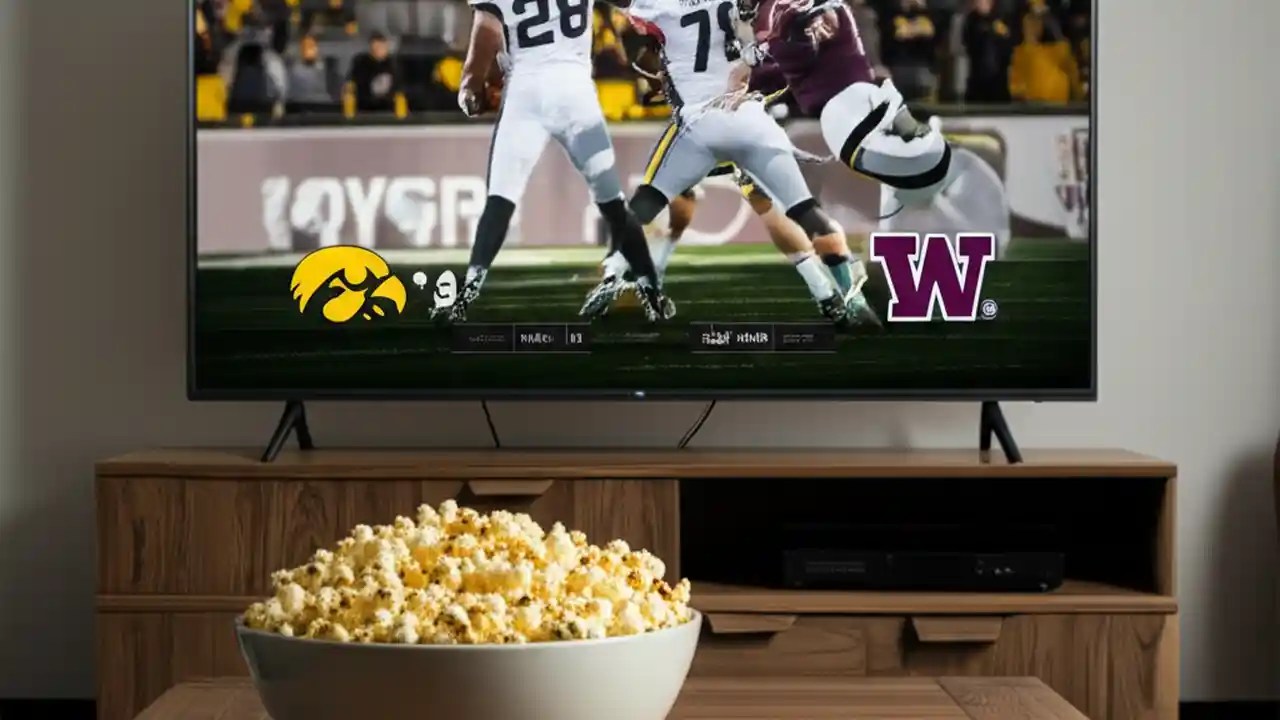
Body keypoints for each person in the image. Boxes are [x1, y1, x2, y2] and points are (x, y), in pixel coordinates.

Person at [582, 0, 869, 329]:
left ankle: (617, 270)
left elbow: (641, 37)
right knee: (791, 208)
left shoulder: (663, 8)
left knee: (655, 196)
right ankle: (841, 295)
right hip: (750, 115)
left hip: (701, 120)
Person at [435, 0, 673, 323]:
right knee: (613, 203)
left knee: (500, 199)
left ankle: (467, 291)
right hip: (575, 92)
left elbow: (482, 43)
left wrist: (470, 89)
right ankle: (651, 290)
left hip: (526, 91)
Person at [961, 0, 1013, 103]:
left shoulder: (1003, 17)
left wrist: (1001, 32)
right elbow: (968, 42)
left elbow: (1010, 44)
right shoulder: (971, 20)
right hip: (977, 82)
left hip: (999, 82)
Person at [346, 32, 406, 115]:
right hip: (365, 110)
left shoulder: (393, 65)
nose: (379, 50)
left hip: (388, 111)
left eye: (382, 47)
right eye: (376, 48)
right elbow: (355, 87)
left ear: (386, 47)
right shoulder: (361, 65)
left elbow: (398, 89)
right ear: (371, 49)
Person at [286, 34, 339, 113]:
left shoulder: (323, 69)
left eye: (312, 47)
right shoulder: (295, 71)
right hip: (301, 108)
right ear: (301, 50)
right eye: (307, 47)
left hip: (322, 108)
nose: (310, 50)